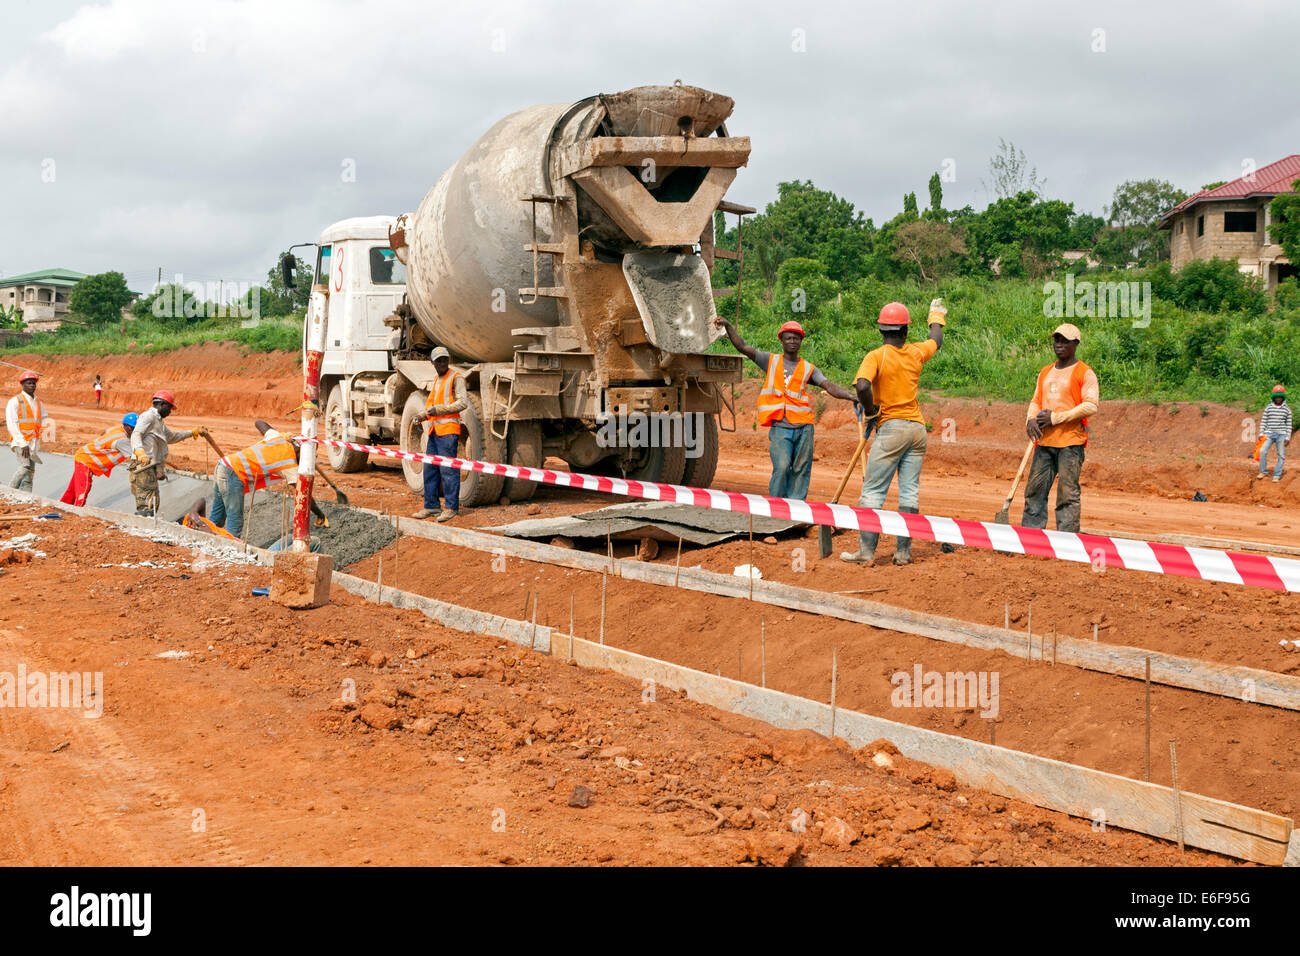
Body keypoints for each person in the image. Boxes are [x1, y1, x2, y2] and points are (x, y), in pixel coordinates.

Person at [841, 299, 946, 566]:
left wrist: (870, 412)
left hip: (892, 428)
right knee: (909, 492)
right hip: (917, 430)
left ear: (880, 331)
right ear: (906, 331)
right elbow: (936, 338)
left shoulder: (876, 356)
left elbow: (863, 385)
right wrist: (936, 314)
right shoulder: (916, 352)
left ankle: (866, 552)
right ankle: (903, 552)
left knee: (873, 492)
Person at [717, 318, 857, 499]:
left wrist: (851, 396)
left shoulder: (808, 368)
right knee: (782, 466)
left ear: (801, 341)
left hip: (804, 428)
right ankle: (776, 507)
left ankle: (796, 508)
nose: (792, 341)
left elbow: (828, 385)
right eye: (789, 338)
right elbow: (743, 347)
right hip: (780, 428)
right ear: (782, 341)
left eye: (796, 338)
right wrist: (728, 327)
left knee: (801, 470)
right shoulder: (770, 360)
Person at [1022, 323, 1099, 533]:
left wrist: (1056, 418)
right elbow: (1036, 400)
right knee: (1034, 491)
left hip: (1070, 444)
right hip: (1045, 441)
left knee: (1067, 494)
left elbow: (1091, 405)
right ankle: (1030, 536)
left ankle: (1067, 541)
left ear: (1076, 344)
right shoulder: (1045, 371)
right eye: (1057, 340)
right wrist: (1030, 419)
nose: (1059, 344)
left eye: (1065, 341)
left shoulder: (1084, 372)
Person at [209, 420, 327, 539]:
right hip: (233, 475)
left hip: (223, 465)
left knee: (217, 518)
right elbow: (303, 494)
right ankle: (231, 550)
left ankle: (204, 539)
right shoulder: (289, 464)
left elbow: (259, 423)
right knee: (235, 522)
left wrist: (282, 435)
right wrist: (319, 514)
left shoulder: (277, 437)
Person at [128, 389, 205, 516]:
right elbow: (136, 434)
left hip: (150, 466)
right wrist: (140, 452)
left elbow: (172, 436)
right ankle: (142, 528)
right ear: (162, 404)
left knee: (152, 502)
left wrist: (192, 432)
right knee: (146, 502)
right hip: (142, 465)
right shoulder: (148, 416)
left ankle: (145, 527)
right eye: (169, 408)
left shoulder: (159, 422)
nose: (170, 412)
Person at [414, 346, 467, 521]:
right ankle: (431, 506)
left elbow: (462, 403)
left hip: (448, 431)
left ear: (448, 360)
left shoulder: (455, 377)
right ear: (433, 363)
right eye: (438, 361)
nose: (442, 363)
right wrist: (422, 415)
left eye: (444, 360)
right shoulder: (437, 380)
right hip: (434, 431)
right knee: (430, 470)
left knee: (448, 470)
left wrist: (439, 410)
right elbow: (431, 407)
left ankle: (451, 508)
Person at [61, 412, 137, 507]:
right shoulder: (122, 441)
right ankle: (77, 512)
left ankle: (61, 507)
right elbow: (136, 455)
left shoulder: (118, 428)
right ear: (129, 428)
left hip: (83, 456)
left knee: (73, 489)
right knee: (83, 488)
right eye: (135, 429)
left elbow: (104, 432)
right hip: (86, 461)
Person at [6, 369, 51, 492]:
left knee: (30, 474)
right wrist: (23, 443)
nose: (32, 385)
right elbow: (12, 424)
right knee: (25, 467)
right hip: (21, 442)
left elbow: (43, 417)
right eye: (28, 383)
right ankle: (8, 491)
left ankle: (27, 497)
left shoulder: (37, 401)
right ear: (22, 384)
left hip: (33, 442)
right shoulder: (15, 401)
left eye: (33, 383)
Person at [1256, 384, 1291, 482]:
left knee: (1281, 455)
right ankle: (1263, 472)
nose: (1278, 398)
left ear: (1283, 397)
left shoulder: (1287, 410)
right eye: (1277, 396)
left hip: (1281, 435)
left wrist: (1287, 437)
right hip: (1269, 434)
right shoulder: (1268, 408)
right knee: (1262, 451)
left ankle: (1276, 475)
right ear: (1274, 397)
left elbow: (1289, 424)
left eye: (1280, 396)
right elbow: (1264, 421)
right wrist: (1261, 433)